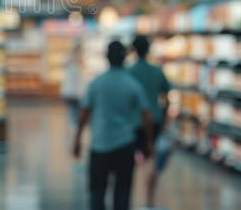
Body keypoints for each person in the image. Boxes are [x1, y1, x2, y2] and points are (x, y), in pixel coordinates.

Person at [73, 41, 153, 210]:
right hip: (125, 144)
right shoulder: (132, 84)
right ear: (125, 58)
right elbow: (146, 115)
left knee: (97, 192)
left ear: (106, 57)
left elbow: (84, 113)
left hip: (100, 144)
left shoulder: (96, 83)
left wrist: (77, 139)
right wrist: (149, 141)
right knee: (122, 192)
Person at [129, 35, 172, 209]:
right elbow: (167, 97)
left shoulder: (129, 72)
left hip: (134, 122)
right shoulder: (157, 71)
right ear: (148, 50)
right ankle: (149, 201)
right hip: (154, 121)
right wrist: (163, 116)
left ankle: (136, 198)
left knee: (134, 159)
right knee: (152, 159)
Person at [60, 43, 83, 136]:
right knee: (74, 111)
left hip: (71, 92)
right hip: (73, 93)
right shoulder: (74, 67)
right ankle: (75, 129)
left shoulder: (72, 66)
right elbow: (75, 83)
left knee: (73, 111)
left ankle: (74, 128)